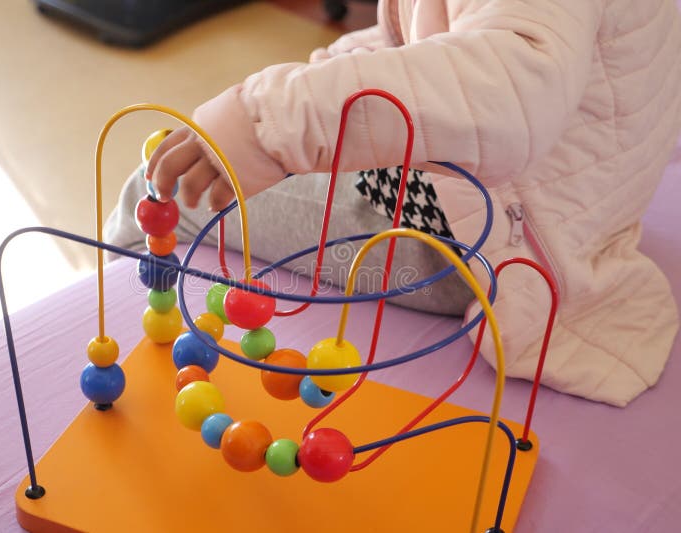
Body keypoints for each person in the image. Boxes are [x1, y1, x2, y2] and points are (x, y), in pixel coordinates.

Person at [104, 0, 681, 407]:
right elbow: (427, 41)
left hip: (484, 244)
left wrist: (267, 125)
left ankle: (134, 359)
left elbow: (511, 80)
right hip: (578, 206)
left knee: (156, 187)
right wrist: (307, 83)